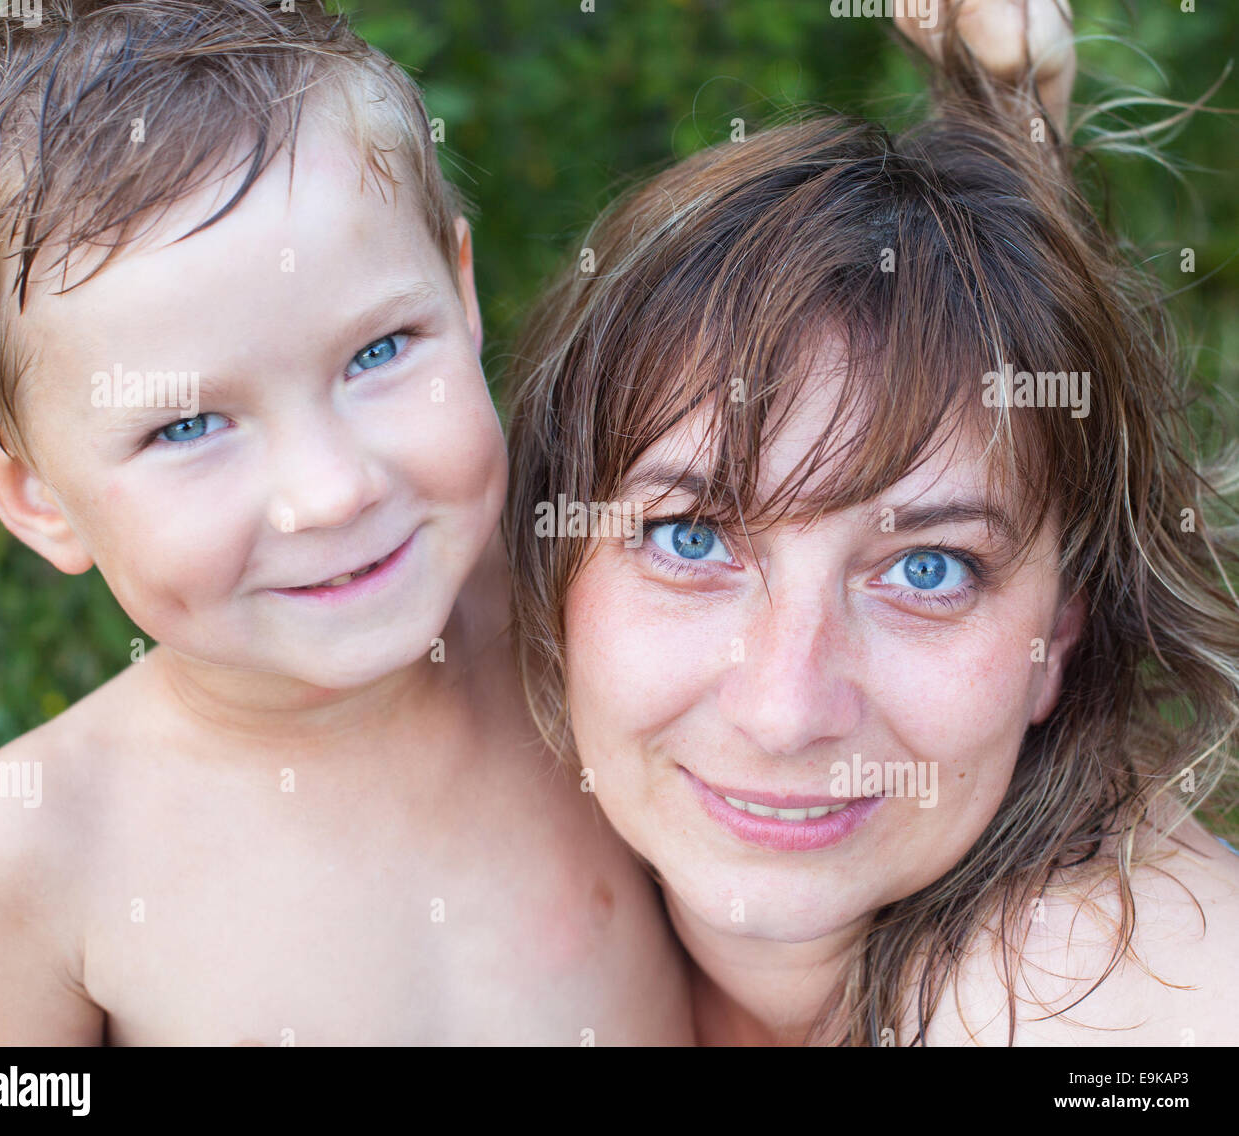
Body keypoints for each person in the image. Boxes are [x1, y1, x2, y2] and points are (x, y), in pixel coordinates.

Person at [0, 0, 690, 1045]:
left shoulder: (594, 632)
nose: (332, 491)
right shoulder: (43, 837)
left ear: (461, 295)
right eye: (191, 424)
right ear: (30, 493)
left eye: (378, 352)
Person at [504, 15, 1239, 1045]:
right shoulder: (454, 788)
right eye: (690, 538)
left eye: (927, 568)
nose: (783, 710)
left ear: (1056, 638)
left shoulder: (1094, 997)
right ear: (549, 573)